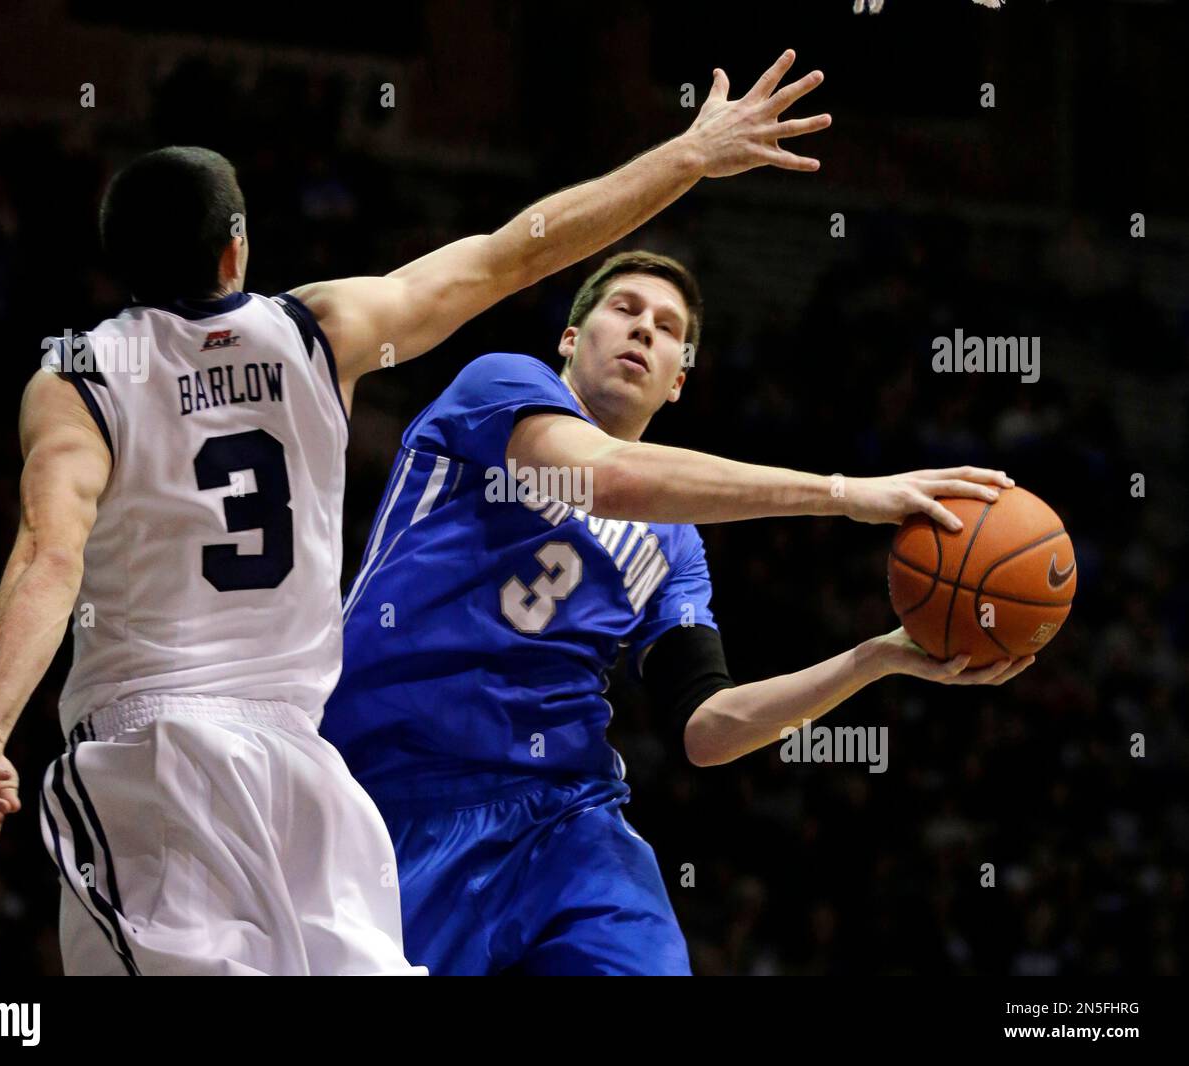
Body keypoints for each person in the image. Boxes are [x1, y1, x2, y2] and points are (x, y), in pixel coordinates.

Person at [0, 53, 834, 974]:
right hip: (309, 780)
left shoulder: (78, 379)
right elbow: (519, 248)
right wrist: (687, 157)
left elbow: (49, 556)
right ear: (236, 251)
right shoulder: (317, 332)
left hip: (156, 752)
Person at [322, 250, 1032, 975]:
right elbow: (605, 476)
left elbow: (709, 730)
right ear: (571, 338)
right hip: (395, 794)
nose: (643, 331)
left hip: (568, 816)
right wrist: (844, 492)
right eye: (624, 310)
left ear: (678, 383)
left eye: (666, 329)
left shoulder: (674, 542)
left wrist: (874, 658)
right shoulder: (500, 387)